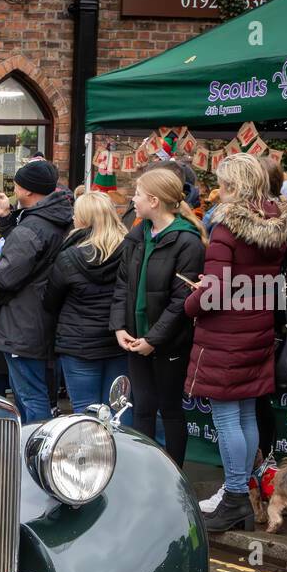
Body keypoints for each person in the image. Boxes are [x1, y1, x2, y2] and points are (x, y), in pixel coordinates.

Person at [183, 154, 287, 532]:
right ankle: (239, 495)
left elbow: (214, 289)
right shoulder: (276, 227)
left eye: (224, 185)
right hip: (258, 326)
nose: (220, 191)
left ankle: (233, 497)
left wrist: (189, 301)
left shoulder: (227, 228)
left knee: (229, 417)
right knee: (246, 414)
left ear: (235, 187)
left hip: (226, 332)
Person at [110, 166, 206, 467]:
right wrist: (119, 326)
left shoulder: (187, 242)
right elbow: (122, 285)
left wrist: (154, 339)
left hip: (169, 343)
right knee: (142, 408)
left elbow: (182, 300)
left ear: (154, 200)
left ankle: (174, 475)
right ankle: (144, 472)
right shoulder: (136, 236)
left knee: (170, 409)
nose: (132, 199)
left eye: (137, 194)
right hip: (135, 338)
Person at [0, 160, 73, 422]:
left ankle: (34, 450)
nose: (14, 187)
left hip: (23, 322)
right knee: (32, 392)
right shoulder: (54, 218)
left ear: (28, 190)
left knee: (29, 395)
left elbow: (6, 275)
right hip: (36, 317)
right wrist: (6, 221)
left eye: (17, 183)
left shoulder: (34, 226)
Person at [41, 190, 128, 413]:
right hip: (118, 341)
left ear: (84, 219)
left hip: (78, 344)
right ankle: (121, 449)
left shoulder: (69, 257)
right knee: (119, 410)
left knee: (85, 412)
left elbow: (50, 301)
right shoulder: (130, 250)